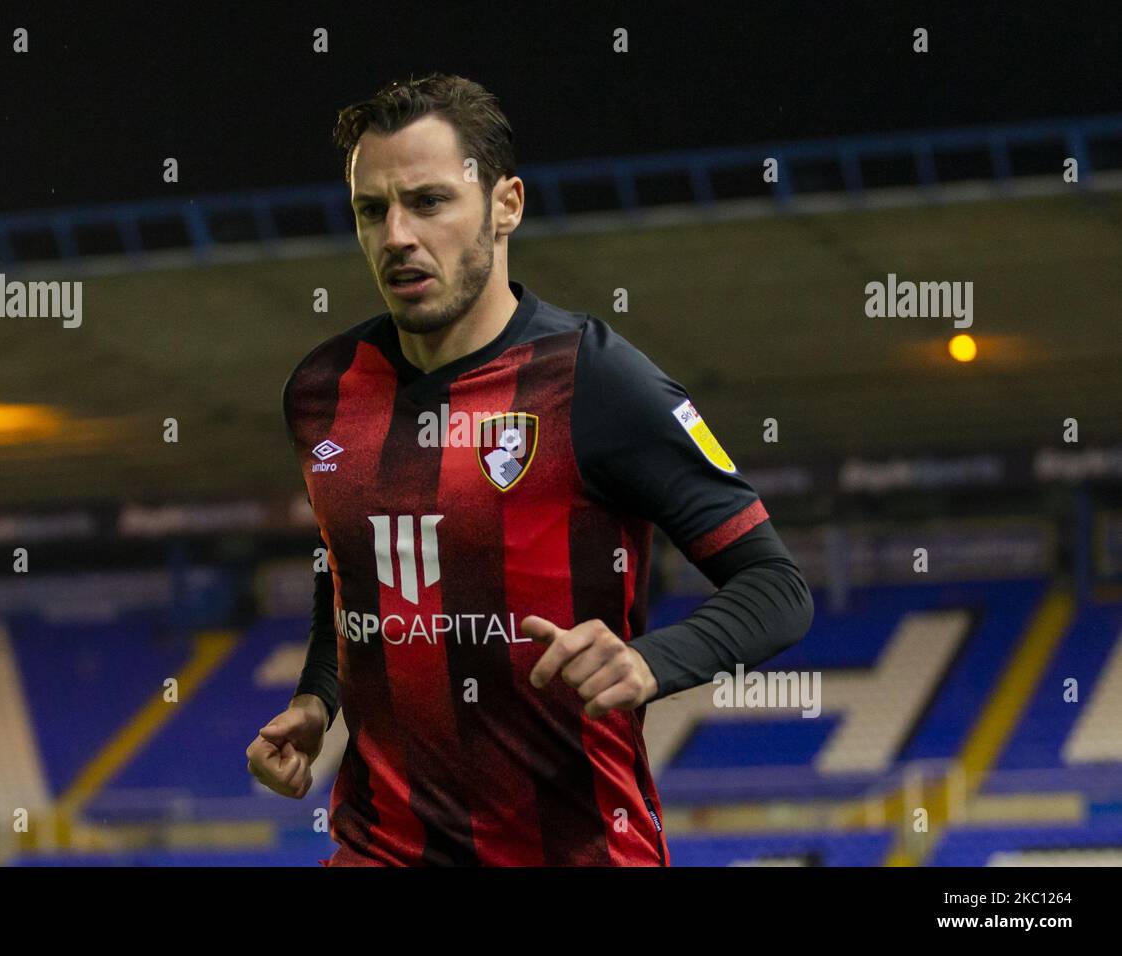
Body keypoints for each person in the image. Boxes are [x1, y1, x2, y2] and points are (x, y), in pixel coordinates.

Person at [247, 72, 813, 866]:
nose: (397, 235)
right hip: (381, 849)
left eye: (430, 201)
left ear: (506, 204)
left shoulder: (599, 382)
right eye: (372, 211)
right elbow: (350, 564)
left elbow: (777, 589)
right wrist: (319, 696)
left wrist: (648, 662)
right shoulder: (321, 391)